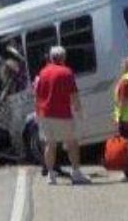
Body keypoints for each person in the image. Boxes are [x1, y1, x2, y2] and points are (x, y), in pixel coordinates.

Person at [34, 46, 89, 185]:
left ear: (51, 58)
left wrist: (37, 113)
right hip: (62, 114)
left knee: (50, 144)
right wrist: (79, 111)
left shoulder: (43, 72)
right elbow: (74, 96)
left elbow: (38, 96)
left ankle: (51, 175)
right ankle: (76, 173)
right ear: (63, 58)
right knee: (72, 143)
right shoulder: (66, 72)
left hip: (45, 114)